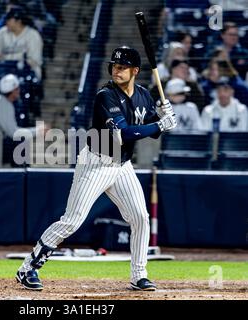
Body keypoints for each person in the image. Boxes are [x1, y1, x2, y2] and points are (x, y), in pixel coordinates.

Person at [15, 46, 177, 291]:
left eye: (122, 67)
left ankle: (139, 274)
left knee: (140, 218)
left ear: (135, 71)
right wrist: (160, 126)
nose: (116, 70)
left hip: (122, 166)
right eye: (114, 66)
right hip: (96, 162)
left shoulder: (143, 95)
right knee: (71, 221)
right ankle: (28, 268)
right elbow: (124, 134)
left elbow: (151, 131)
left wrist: (163, 117)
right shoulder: (106, 95)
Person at [0, 73, 44, 138]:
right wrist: (37, 131)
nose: (19, 91)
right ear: (12, 91)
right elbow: (14, 133)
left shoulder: (2, 102)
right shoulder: (4, 106)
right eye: (17, 89)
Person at [0, 7, 43, 79]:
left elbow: (33, 61)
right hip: (5, 69)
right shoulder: (2, 32)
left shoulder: (33, 35)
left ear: (18, 22)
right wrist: (20, 56)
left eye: (9, 20)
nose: (6, 22)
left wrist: (6, 57)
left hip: (27, 72)